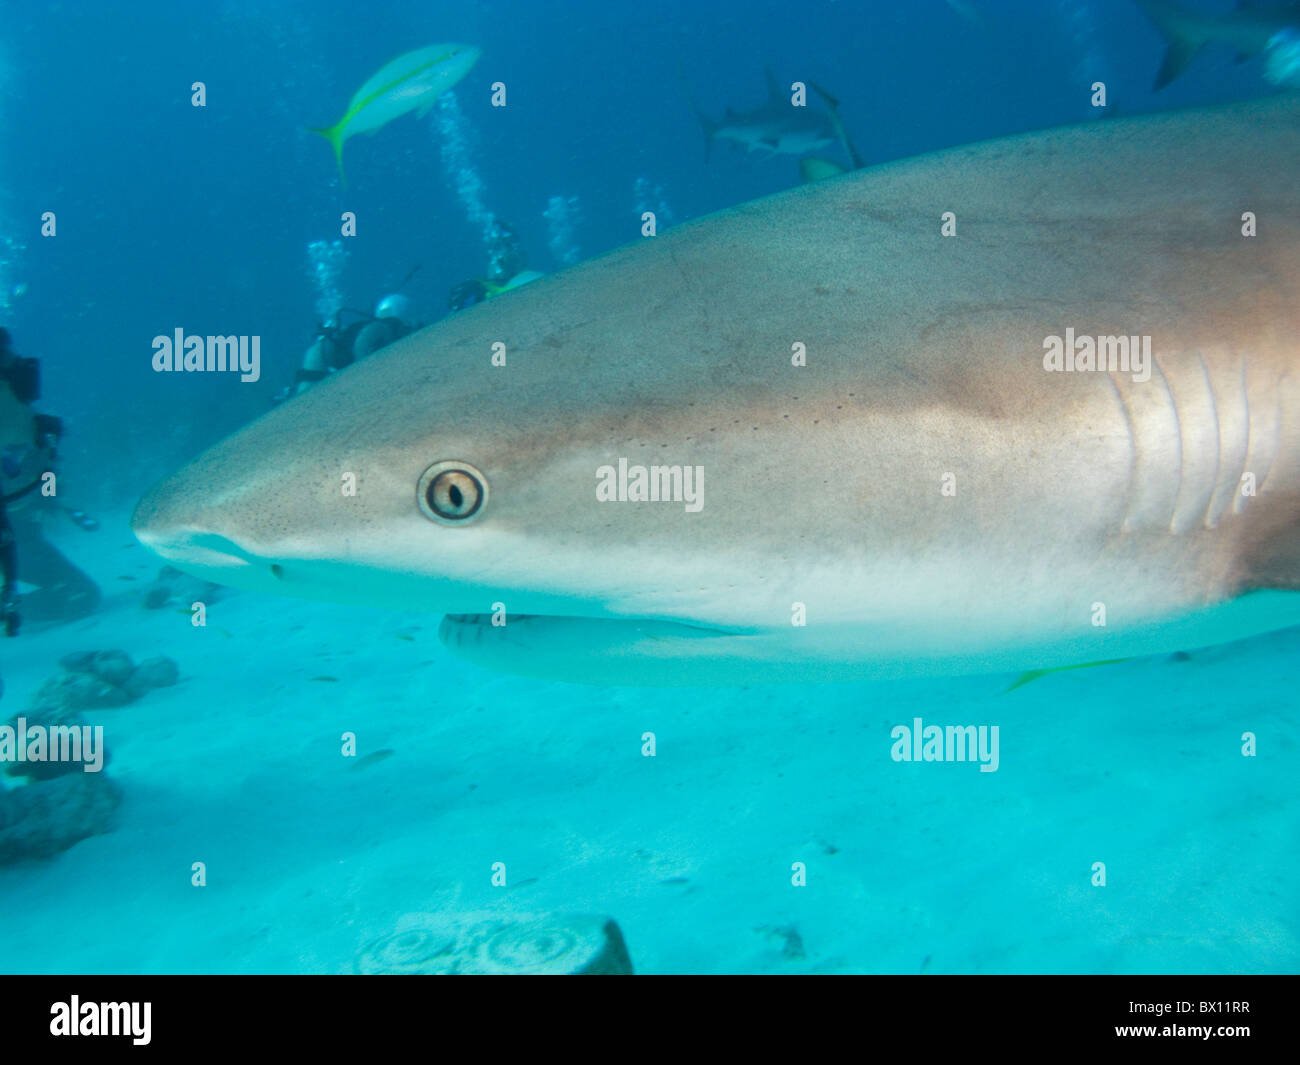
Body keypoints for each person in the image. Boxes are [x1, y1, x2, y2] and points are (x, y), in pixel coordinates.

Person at [0, 328, 100, 635]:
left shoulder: (23, 416)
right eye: (6, 355)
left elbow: (43, 478)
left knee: (81, 597)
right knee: (81, 597)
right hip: (15, 536)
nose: (19, 362)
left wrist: (47, 484)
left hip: (22, 536)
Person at [284, 293, 414, 398]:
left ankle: (291, 396)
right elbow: (363, 355)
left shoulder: (366, 328)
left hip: (333, 362)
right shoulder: (379, 330)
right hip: (352, 372)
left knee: (306, 387)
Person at [448, 219, 544, 312]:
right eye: (496, 247)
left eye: (509, 246)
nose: (503, 255)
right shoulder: (475, 289)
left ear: (522, 256)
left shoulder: (530, 278)